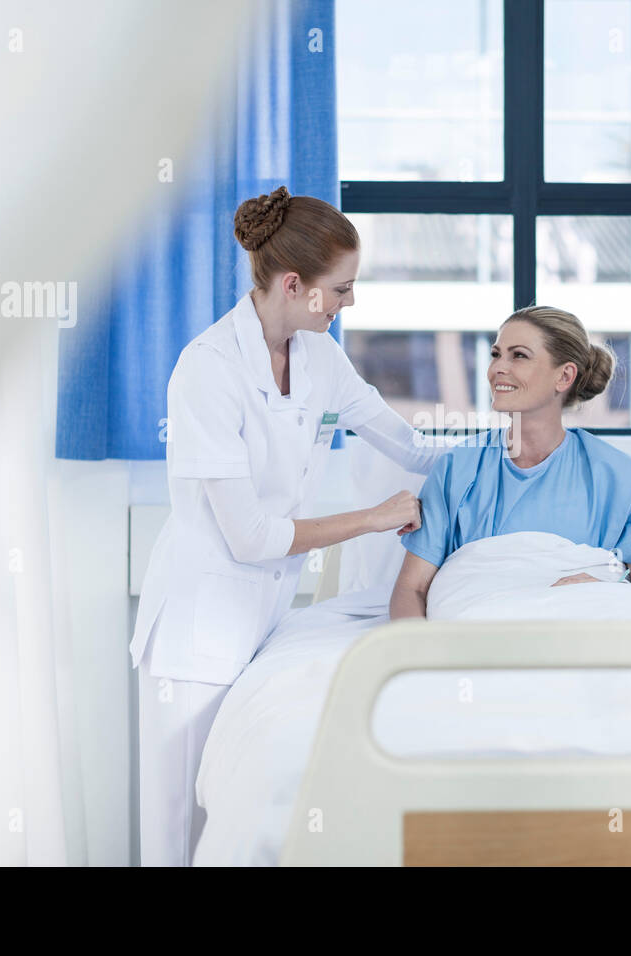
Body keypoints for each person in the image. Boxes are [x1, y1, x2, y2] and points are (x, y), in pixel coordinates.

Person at [131, 186, 440, 864]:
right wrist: (374, 519)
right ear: (296, 284)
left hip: (266, 617)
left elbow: (407, 445)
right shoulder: (208, 369)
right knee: (173, 829)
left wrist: (510, 453)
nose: (350, 303)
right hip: (199, 628)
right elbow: (250, 536)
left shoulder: (320, 357)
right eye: (343, 289)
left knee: (231, 820)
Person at [390, 305, 631, 619]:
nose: (498, 368)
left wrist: (608, 590)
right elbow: (411, 588)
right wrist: (421, 657)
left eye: (518, 355)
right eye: (496, 354)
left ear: (564, 376)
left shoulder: (621, 479)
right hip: (474, 639)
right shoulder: (457, 469)